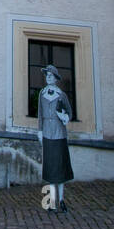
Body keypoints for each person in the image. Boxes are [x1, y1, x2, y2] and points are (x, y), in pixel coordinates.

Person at [37, 64, 73, 212]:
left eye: (50, 75)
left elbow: (69, 113)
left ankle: (61, 199)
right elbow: (40, 113)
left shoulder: (61, 95)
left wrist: (63, 116)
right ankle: (51, 200)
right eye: (47, 75)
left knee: (60, 167)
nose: (48, 77)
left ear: (55, 78)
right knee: (51, 168)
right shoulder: (42, 94)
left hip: (59, 133)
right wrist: (39, 130)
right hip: (47, 132)